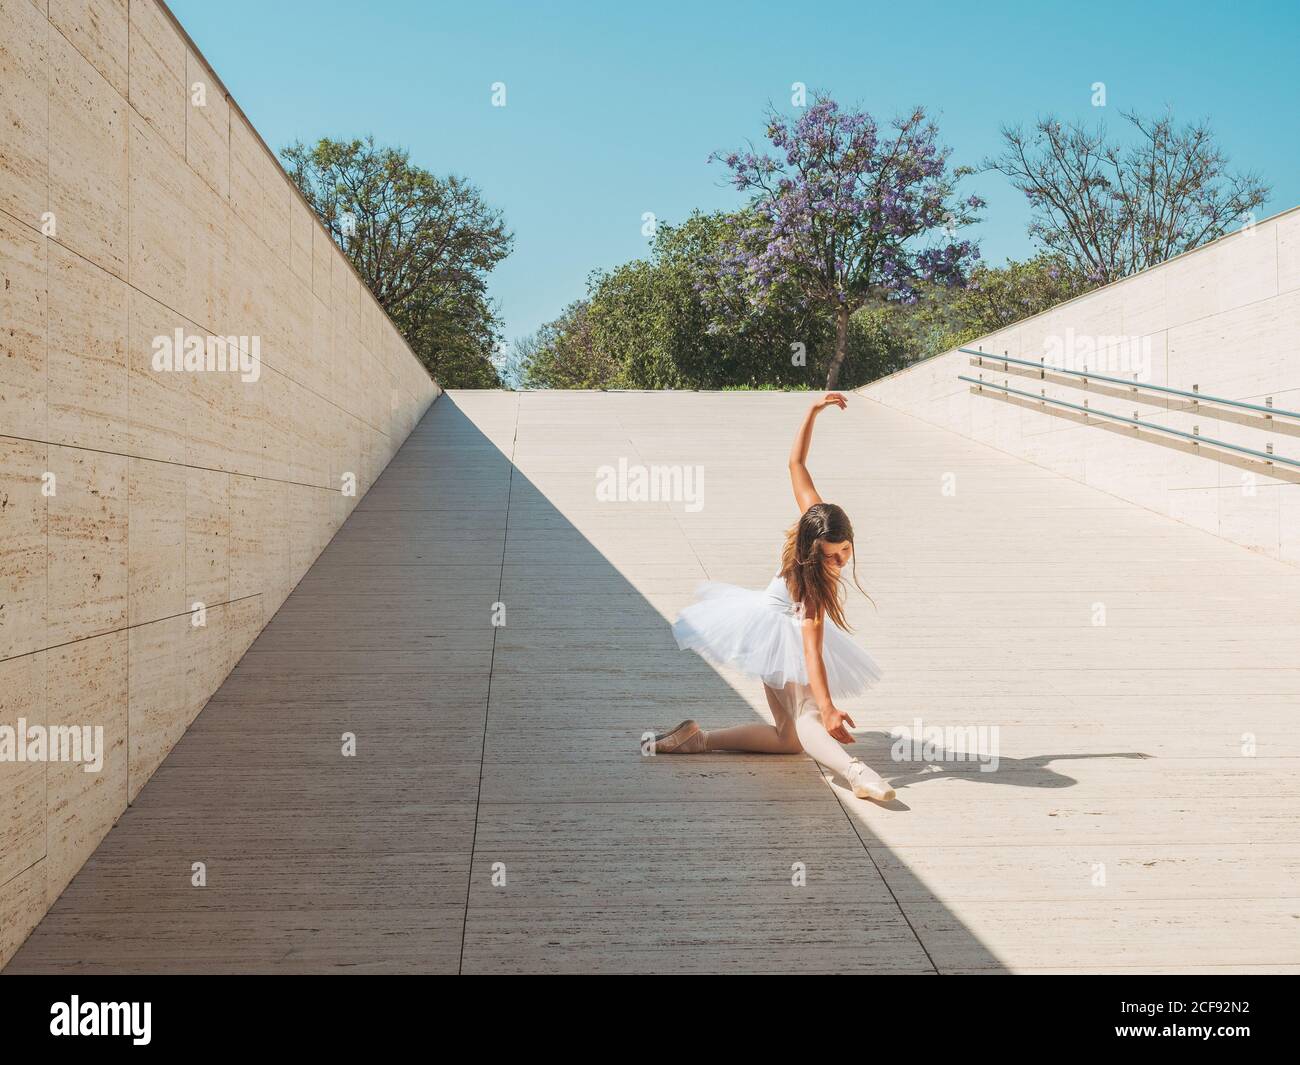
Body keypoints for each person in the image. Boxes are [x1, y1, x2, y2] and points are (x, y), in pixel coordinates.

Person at [653, 392, 894, 802]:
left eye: (845, 551)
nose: (838, 560)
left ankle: (696, 739)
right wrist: (829, 705)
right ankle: (858, 774)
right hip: (774, 631)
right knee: (809, 719)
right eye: (830, 555)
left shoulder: (816, 518)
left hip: (761, 625)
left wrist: (812, 412)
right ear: (812, 548)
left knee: (788, 740)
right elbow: (812, 652)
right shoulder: (812, 584)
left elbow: (796, 465)